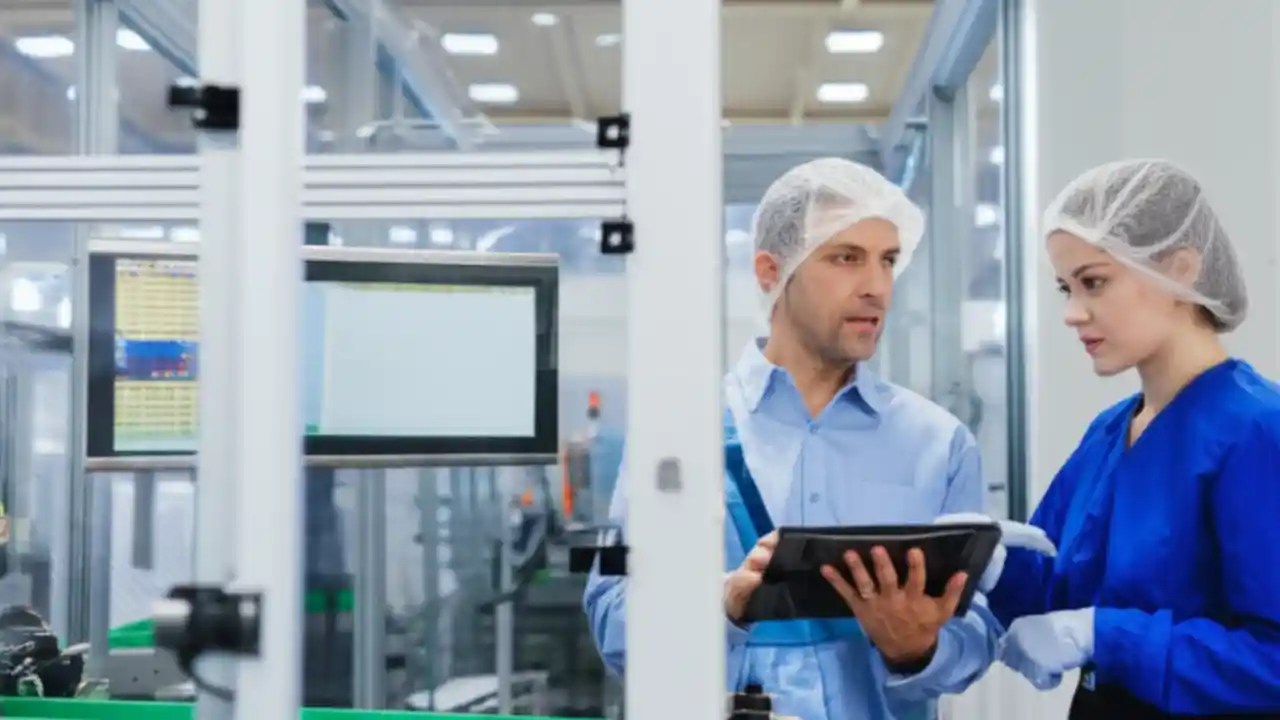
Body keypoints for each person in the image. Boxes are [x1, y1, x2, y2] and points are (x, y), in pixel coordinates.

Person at [582, 158, 1006, 720]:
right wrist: (722, 605)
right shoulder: (681, 431)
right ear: (769, 272)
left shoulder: (937, 444)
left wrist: (919, 649)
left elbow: (981, 628)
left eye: (887, 260)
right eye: (846, 258)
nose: (877, 287)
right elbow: (611, 619)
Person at [977, 159, 1280, 717]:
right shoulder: (1111, 431)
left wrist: (1106, 637)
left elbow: (1273, 661)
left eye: (1093, 282)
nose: (1072, 313)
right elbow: (1061, 594)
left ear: (1181, 269)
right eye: (1065, 287)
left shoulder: (1258, 430)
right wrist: (989, 562)